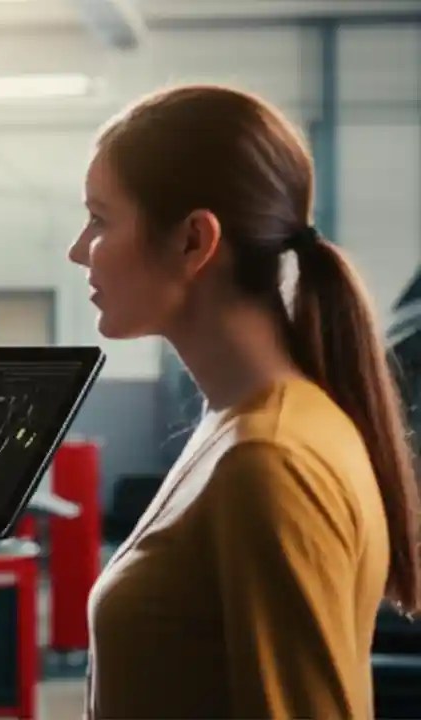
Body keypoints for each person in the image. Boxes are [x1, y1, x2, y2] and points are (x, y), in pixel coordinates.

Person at [68, 83, 421, 718]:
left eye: (99, 219)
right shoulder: (239, 426)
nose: (77, 251)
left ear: (194, 241)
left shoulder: (271, 459)